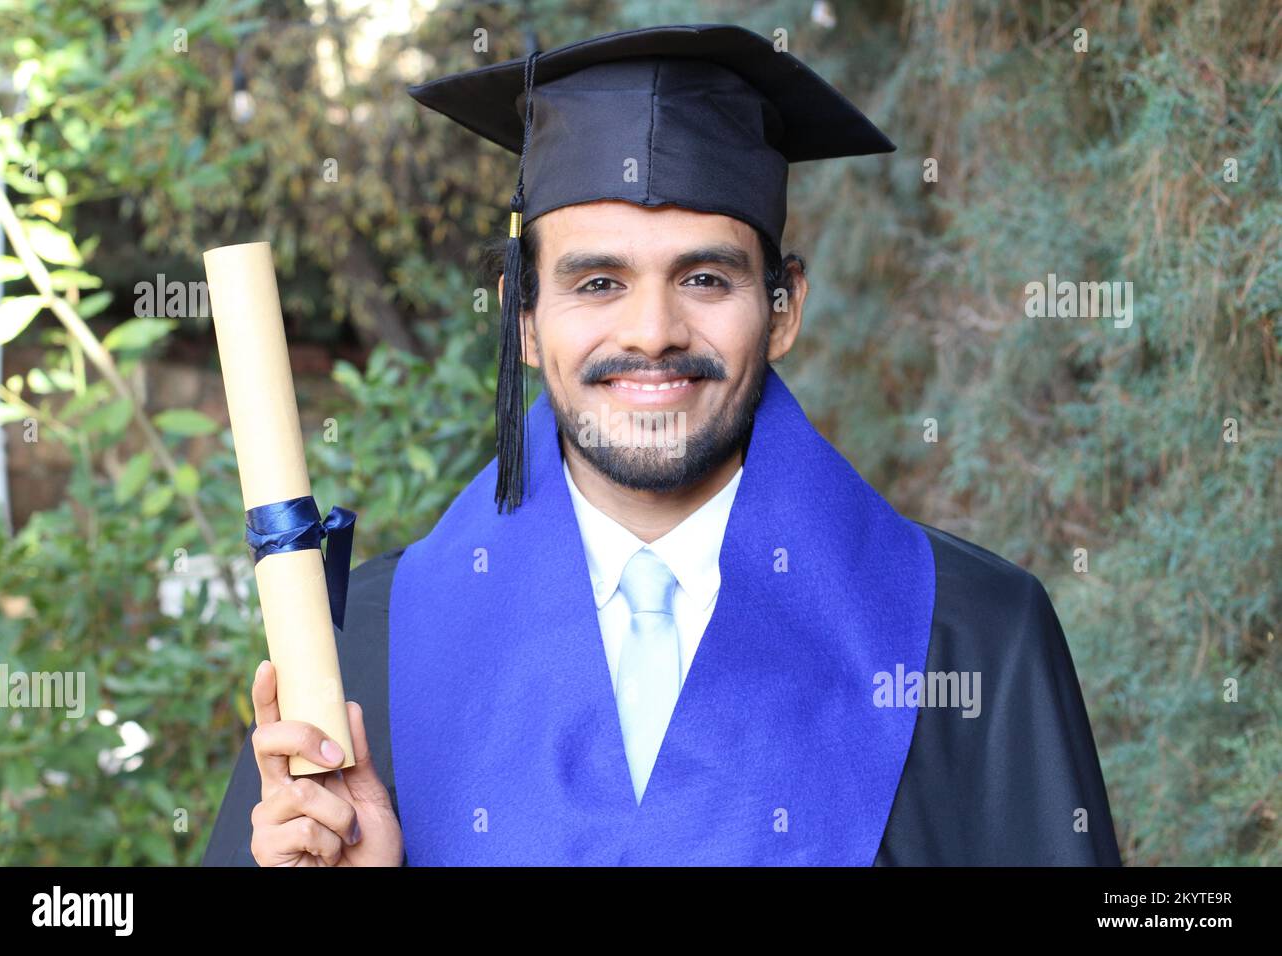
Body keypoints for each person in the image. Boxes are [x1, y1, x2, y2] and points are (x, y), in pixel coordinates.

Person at [202, 23, 1121, 866]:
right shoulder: (365, 652)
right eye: (598, 281)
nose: (652, 331)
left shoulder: (964, 637)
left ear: (784, 307)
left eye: (707, 277)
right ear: (523, 319)